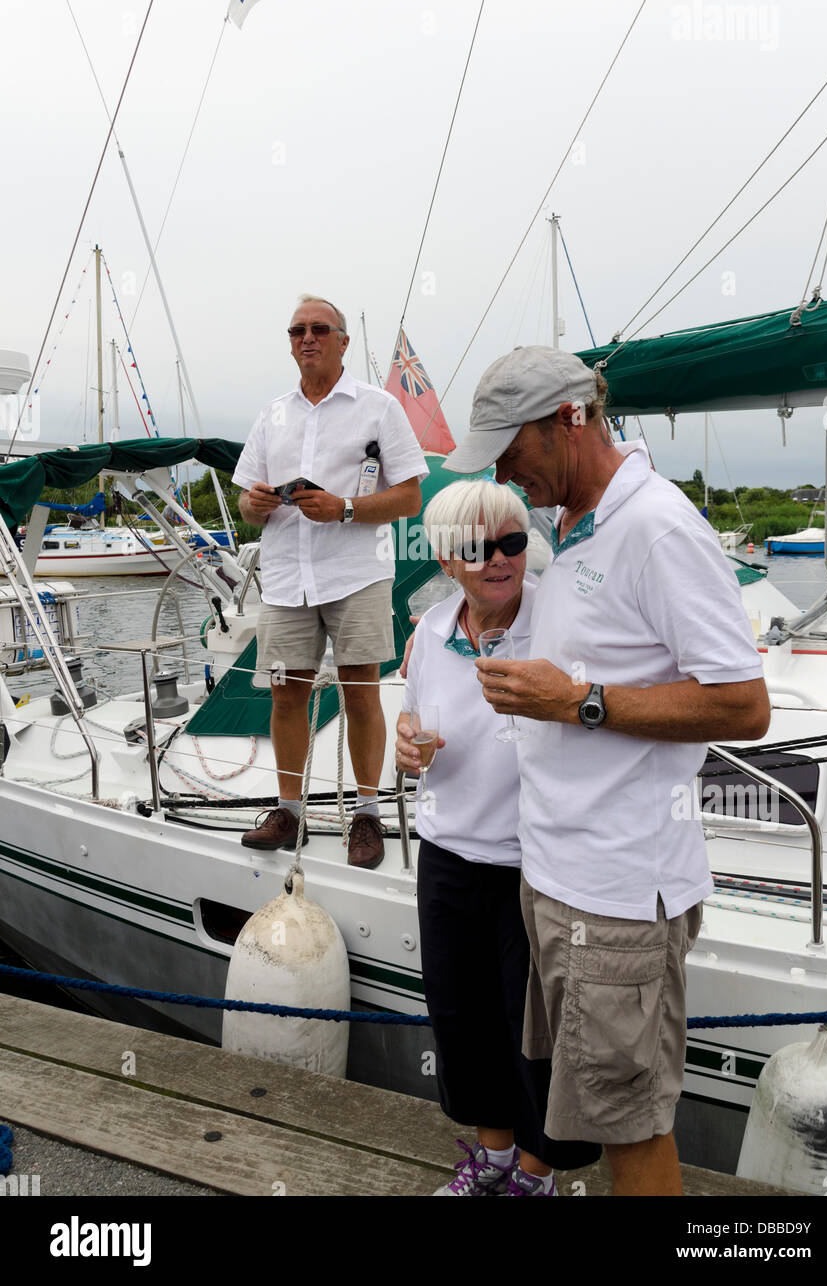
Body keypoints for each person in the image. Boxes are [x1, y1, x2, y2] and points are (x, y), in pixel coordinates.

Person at [443, 345, 770, 1196]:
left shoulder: (655, 527)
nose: (506, 476)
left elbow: (741, 704)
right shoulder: (572, 525)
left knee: (631, 1127)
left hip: (620, 892)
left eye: (510, 451)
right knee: (594, 1104)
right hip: (558, 879)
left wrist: (577, 701)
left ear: (568, 420)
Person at [396, 478, 600, 1196]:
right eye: (478, 548)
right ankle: (490, 1162)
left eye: (512, 542)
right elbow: (412, 719)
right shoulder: (428, 631)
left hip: (536, 864)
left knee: (538, 1033)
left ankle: (537, 1177)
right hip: (449, 853)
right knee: (462, 1017)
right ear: (447, 559)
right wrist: (407, 742)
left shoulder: (561, 623)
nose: (499, 559)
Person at [233, 294, 428, 868]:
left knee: (360, 690)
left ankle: (366, 813)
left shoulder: (379, 407)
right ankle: (288, 810)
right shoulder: (272, 415)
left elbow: (410, 495)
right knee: (286, 693)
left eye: (320, 329)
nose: (307, 338)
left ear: (344, 341)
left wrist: (343, 507)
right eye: (297, 331)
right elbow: (245, 504)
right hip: (287, 576)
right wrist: (257, 501)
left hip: (355, 573)